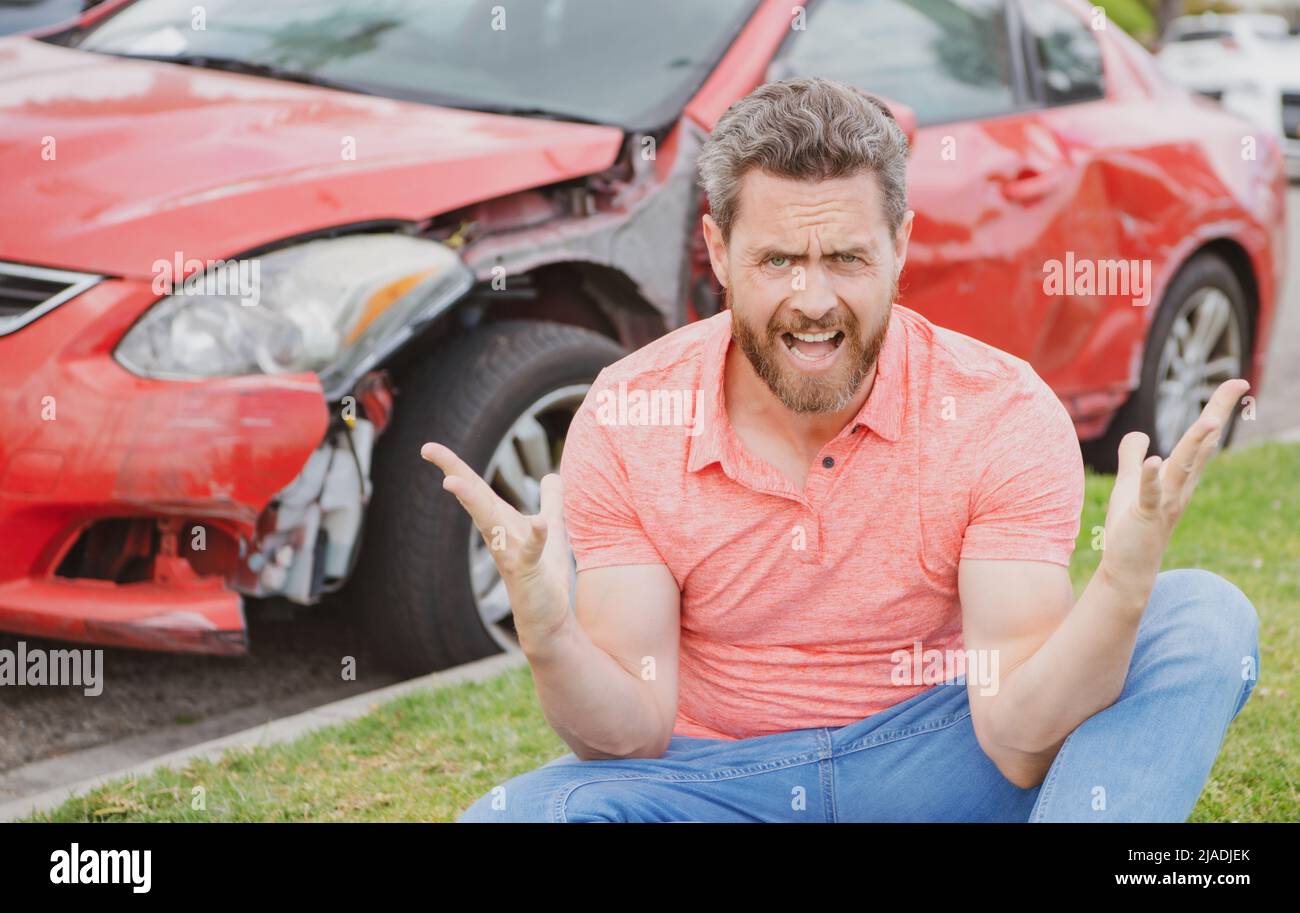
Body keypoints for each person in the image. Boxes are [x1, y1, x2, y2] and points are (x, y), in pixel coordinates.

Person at [426, 76, 1259, 822]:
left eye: (847, 257)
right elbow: (631, 732)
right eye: (778, 259)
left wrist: (1119, 584)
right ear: (719, 251)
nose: (812, 300)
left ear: (899, 243)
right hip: (718, 779)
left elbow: (1015, 739)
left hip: (945, 757)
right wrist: (545, 626)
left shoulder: (1001, 411)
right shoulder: (634, 411)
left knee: (1201, 614)